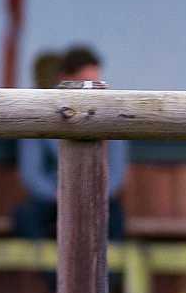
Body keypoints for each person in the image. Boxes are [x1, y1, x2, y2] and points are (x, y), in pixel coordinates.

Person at [14, 44, 129, 276]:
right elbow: (32, 174)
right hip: (51, 199)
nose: (92, 90)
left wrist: (96, 193)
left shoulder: (113, 110)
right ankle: (57, 290)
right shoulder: (41, 109)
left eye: (96, 83)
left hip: (98, 195)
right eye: (84, 83)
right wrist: (61, 194)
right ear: (64, 79)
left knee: (115, 223)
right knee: (26, 218)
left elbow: (117, 173)